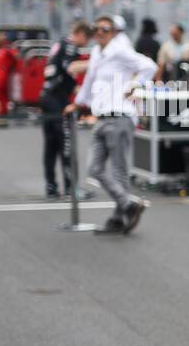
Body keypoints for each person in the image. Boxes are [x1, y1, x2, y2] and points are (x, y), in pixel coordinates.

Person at [66, 15, 156, 235]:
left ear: (114, 31)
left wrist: (135, 84)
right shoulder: (98, 52)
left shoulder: (119, 50)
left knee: (119, 172)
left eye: (105, 29)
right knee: (94, 169)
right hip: (103, 117)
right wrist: (77, 105)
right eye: (97, 28)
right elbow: (89, 80)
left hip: (120, 116)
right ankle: (127, 205)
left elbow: (149, 66)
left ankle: (119, 218)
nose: (100, 32)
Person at [40, 20, 94, 198]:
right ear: (80, 34)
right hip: (57, 101)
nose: (86, 43)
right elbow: (71, 68)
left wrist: (86, 95)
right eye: (87, 39)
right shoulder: (70, 47)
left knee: (51, 146)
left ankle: (51, 187)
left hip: (48, 96)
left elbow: (67, 80)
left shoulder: (60, 44)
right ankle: (71, 189)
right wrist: (97, 63)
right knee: (66, 144)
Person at [0, 31, 18, 118]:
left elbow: (16, 57)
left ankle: (3, 109)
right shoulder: (1, 48)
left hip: (5, 73)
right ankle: (3, 109)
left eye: (2, 36)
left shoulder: (8, 48)